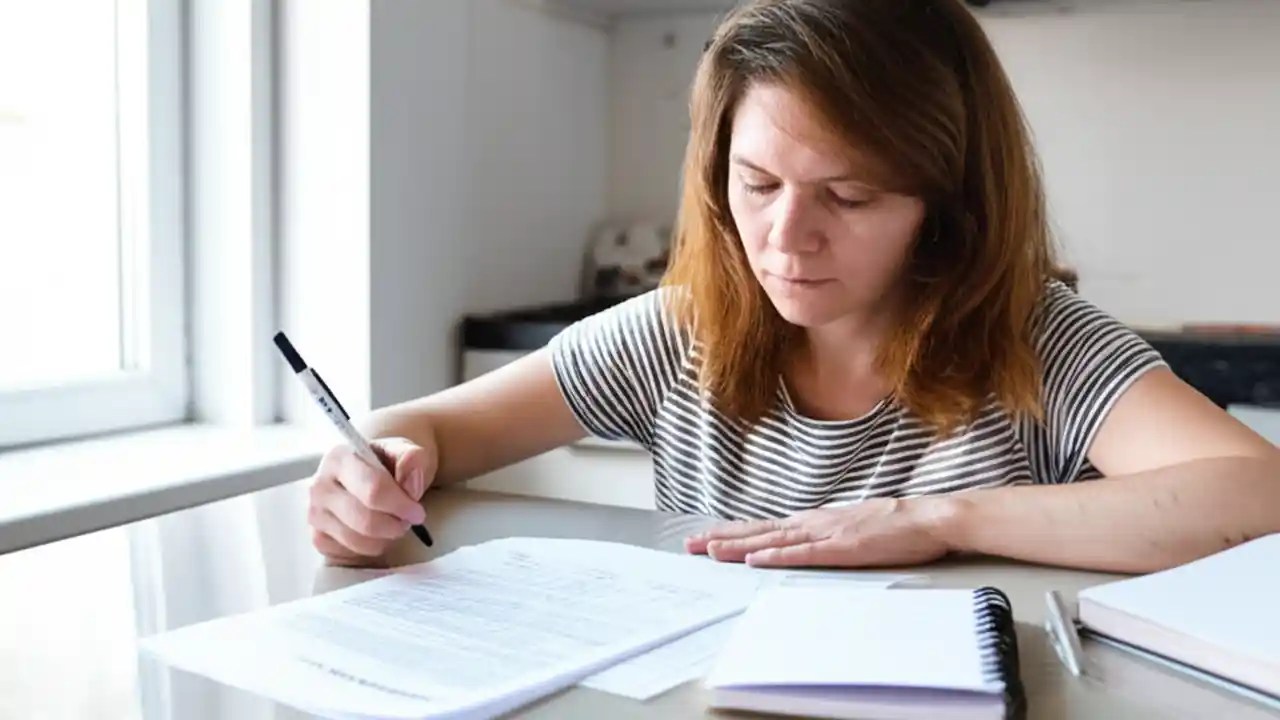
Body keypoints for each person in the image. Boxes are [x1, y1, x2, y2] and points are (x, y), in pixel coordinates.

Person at [305, 0, 1280, 574]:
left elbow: (1257, 491)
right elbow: (427, 429)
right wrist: (373, 473)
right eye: (756, 184)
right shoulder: (679, 331)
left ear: (943, 202)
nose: (783, 240)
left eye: (847, 197)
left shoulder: (1034, 341)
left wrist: (935, 519)